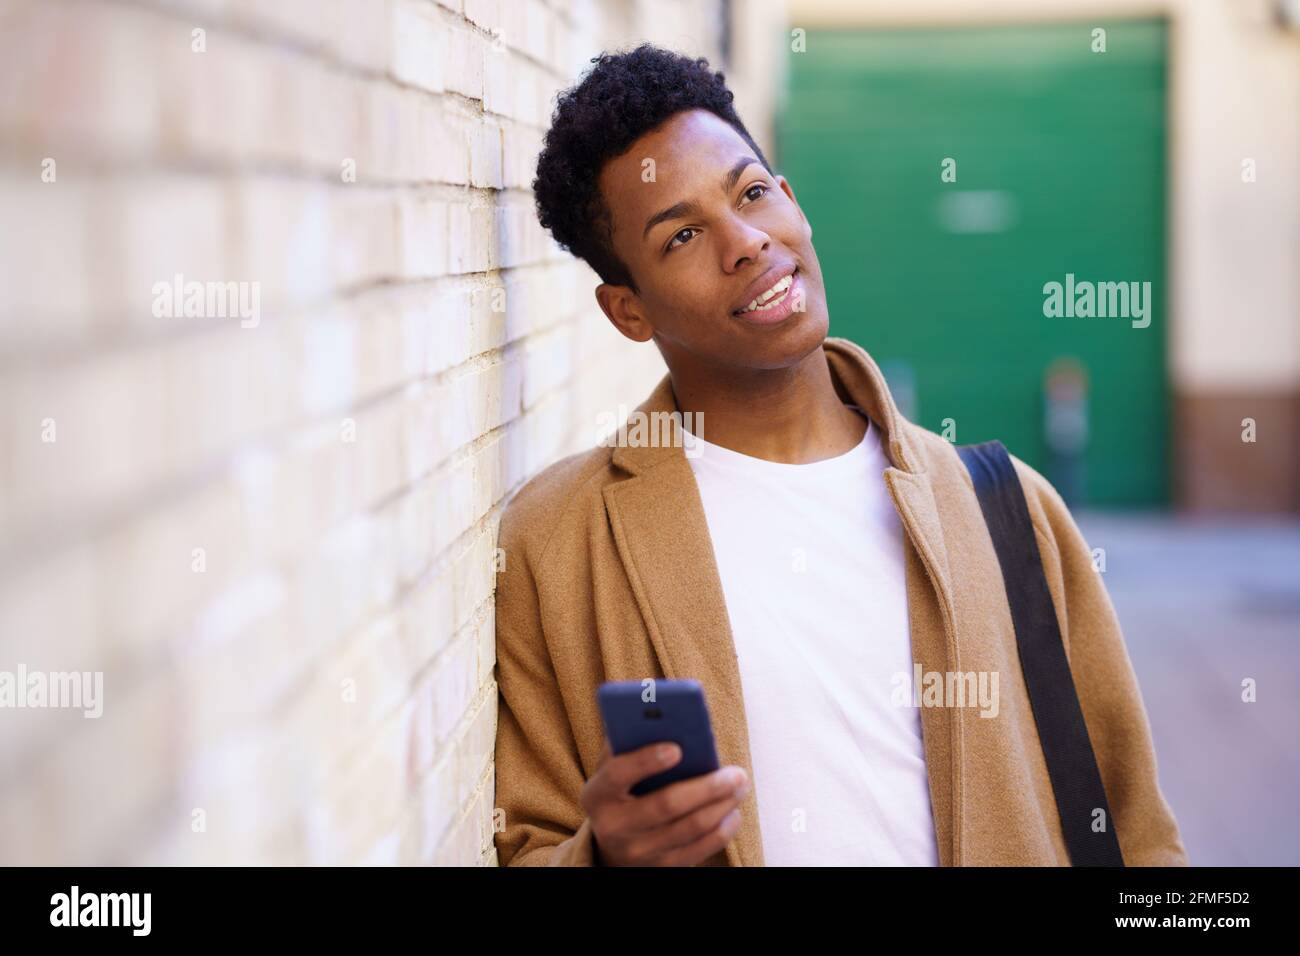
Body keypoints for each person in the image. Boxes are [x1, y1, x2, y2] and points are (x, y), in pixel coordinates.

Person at [492, 44, 1188, 867]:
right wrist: (606, 856)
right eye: (681, 235)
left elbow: (1136, 833)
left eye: (751, 193)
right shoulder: (558, 542)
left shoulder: (1008, 508)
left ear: (791, 199)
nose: (746, 242)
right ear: (628, 311)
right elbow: (528, 845)